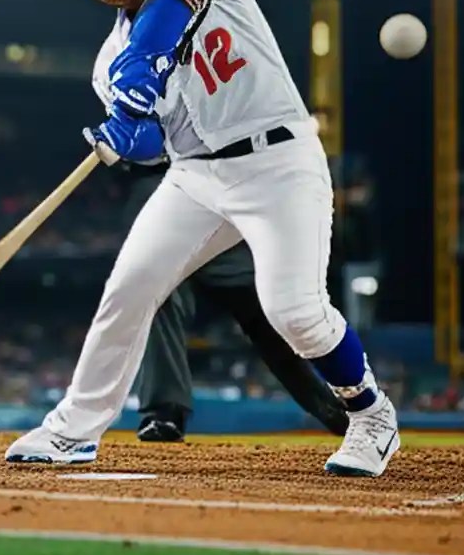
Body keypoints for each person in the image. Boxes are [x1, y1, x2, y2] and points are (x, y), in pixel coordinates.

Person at [5, 0, 399, 476]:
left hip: (279, 162)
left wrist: (141, 72)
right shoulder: (107, 63)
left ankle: (371, 416)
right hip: (196, 177)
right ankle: (74, 431)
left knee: (295, 312)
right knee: (130, 288)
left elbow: (172, 11)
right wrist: (125, 133)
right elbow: (158, 143)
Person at [115, 160, 349, 442]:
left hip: (217, 193)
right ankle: (165, 413)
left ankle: (338, 409)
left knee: (269, 313)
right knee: (154, 293)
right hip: (158, 197)